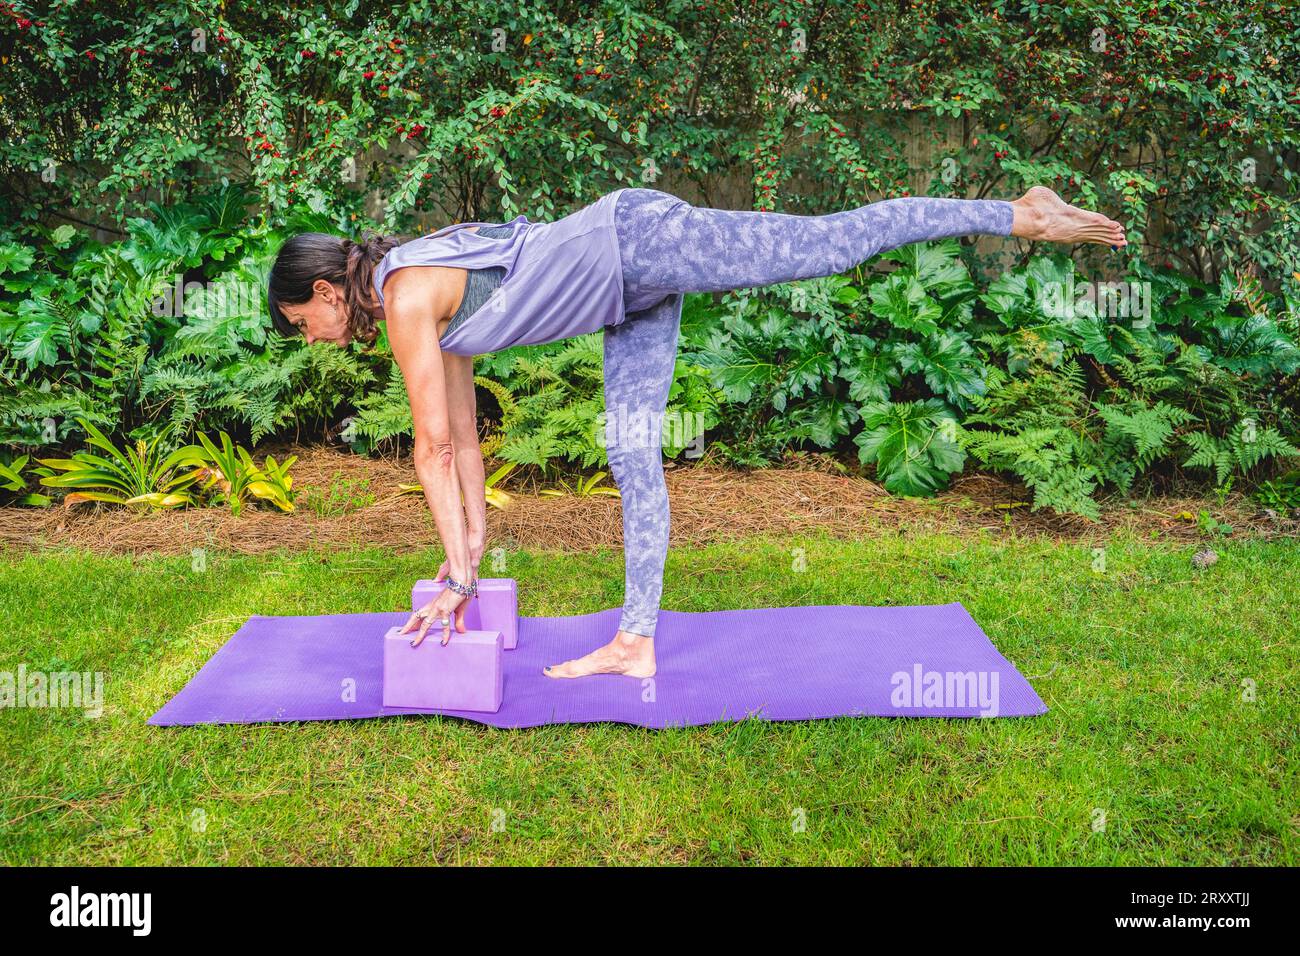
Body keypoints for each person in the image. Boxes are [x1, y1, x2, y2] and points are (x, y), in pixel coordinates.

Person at [266, 184, 1126, 678]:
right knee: (631, 451)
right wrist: (468, 561)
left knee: (821, 247)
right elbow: (462, 439)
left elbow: (434, 450)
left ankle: (1015, 213)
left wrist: (458, 574)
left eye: (297, 319)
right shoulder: (415, 288)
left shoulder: (410, 293)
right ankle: (636, 641)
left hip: (636, 240)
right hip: (623, 292)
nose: (305, 334)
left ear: (327, 292)